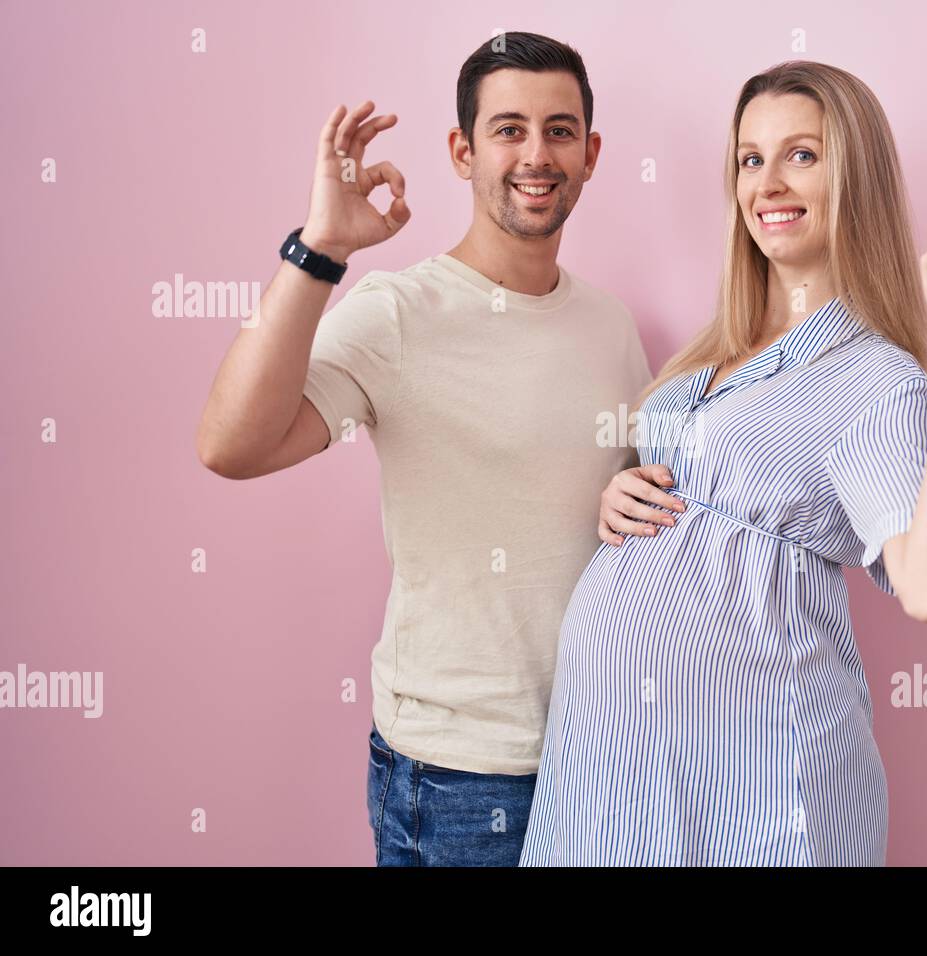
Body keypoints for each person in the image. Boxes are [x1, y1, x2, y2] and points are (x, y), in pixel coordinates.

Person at [517, 60, 927, 866]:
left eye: (802, 155)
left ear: (856, 175)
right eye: (750, 158)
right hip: (616, 784)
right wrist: (621, 495)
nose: (768, 182)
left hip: (757, 789)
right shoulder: (712, 355)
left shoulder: (875, 380)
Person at [195, 32, 651, 866]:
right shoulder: (399, 312)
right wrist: (321, 250)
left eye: (559, 130)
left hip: (605, 761)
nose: (536, 154)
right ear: (461, 150)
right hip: (462, 778)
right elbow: (232, 444)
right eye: (508, 129)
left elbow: (626, 525)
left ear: (590, 153)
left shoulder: (612, 324)